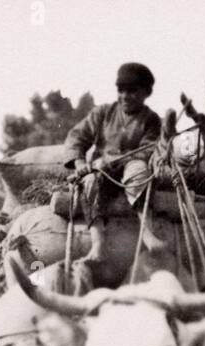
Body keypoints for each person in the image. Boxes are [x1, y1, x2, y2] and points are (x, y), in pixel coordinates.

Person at [63, 62, 163, 261]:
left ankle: (147, 233)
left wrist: (113, 160)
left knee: (138, 170)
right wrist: (80, 163)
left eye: (133, 91)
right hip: (101, 171)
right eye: (121, 90)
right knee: (90, 182)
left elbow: (149, 150)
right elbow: (77, 137)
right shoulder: (103, 113)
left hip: (131, 166)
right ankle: (98, 244)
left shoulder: (151, 120)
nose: (125, 96)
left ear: (146, 92)